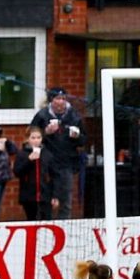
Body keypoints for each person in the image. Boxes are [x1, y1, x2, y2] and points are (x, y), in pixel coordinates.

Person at [30, 87, 86, 218]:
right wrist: (46, 133)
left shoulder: (75, 116)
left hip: (67, 162)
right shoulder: (42, 115)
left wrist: (77, 136)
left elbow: (84, 140)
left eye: (63, 99)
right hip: (47, 163)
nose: (61, 102)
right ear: (51, 100)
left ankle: (65, 226)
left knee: (66, 198)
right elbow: (31, 136)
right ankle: (45, 223)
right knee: (46, 197)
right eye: (57, 99)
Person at [14, 126, 54, 220]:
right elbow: (17, 172)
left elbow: (53, 175)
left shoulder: (47, 154)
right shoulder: (22, 154)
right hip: (28, 197)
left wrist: (55, 195)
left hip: (45, 196)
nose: (36, 140)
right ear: (28, 139)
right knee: (32, 220)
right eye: (33, 138)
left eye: (38, 138)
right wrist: (29, 160)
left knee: (46, 220)